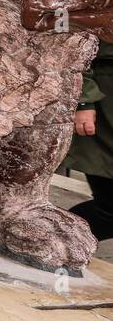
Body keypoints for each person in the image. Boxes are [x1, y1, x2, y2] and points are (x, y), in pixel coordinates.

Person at [65, 41, 113, 242]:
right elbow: (75, 40)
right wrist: (84, 98)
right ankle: (56, 238)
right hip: (105, 102)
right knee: (110, 208)